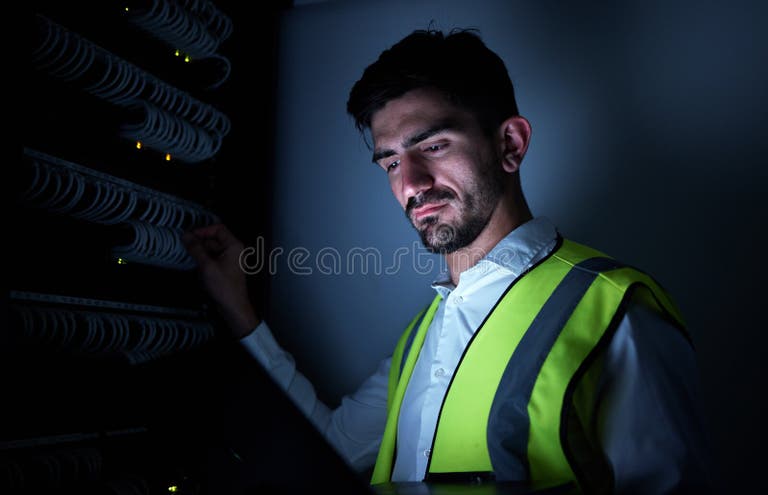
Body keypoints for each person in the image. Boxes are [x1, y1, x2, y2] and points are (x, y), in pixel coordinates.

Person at [183, 28, 714, 494]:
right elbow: (331, 449)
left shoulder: (615, 308)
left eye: (433, 146)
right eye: (391, 162)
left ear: (509, 143)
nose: (410, 184)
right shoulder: (419, 339)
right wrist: (240, 311)